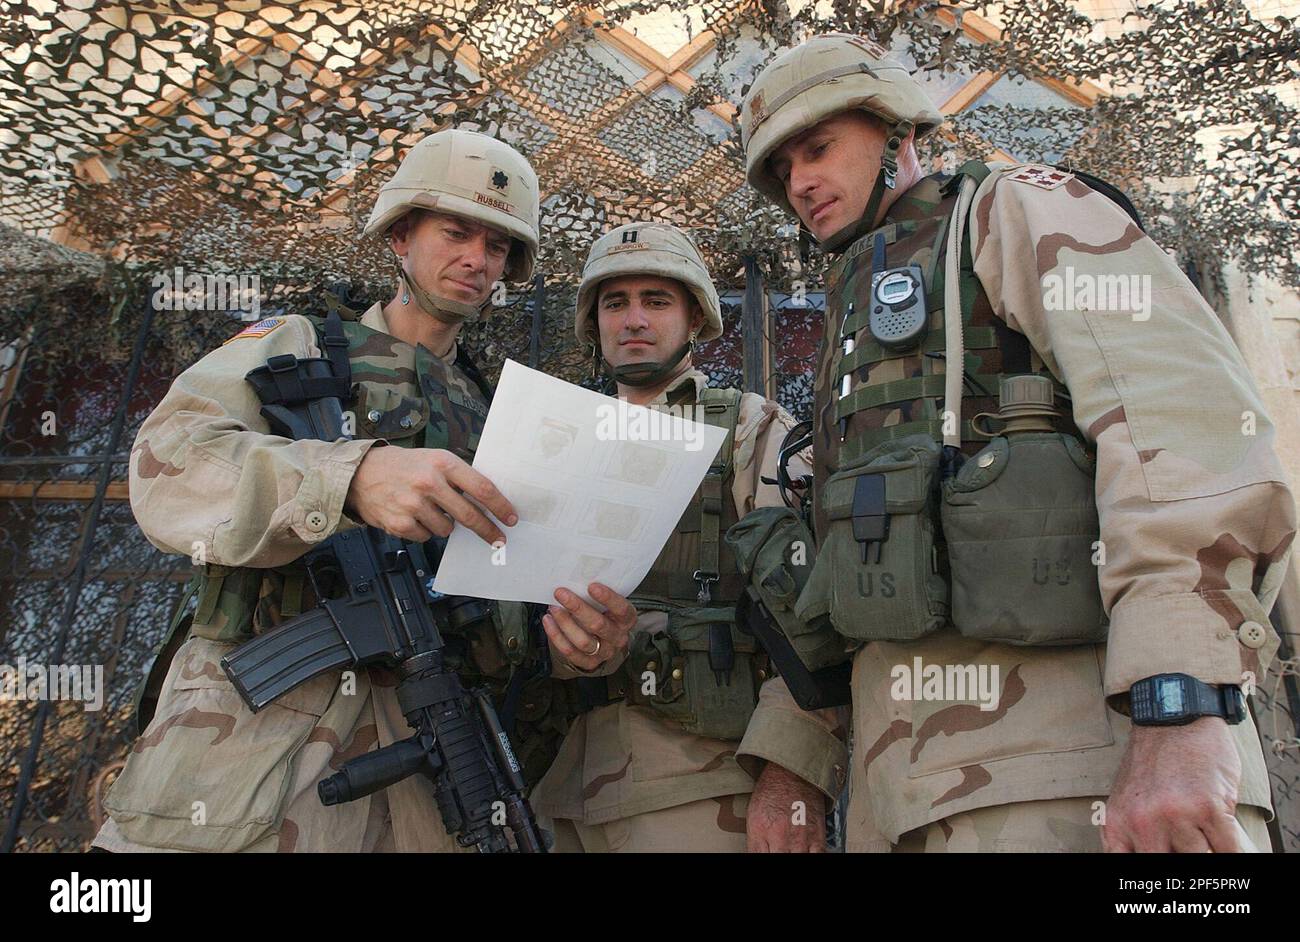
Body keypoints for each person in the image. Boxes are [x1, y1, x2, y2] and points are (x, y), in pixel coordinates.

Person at [737, 32, 1296, 852]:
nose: (803, 182)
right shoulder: (855, 308)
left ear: (900, 131)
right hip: (911, 795)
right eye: (783, 170)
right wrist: (797, 767)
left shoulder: (1018, 207)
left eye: (820, 148)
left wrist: (1178, 709)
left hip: (1083, 776)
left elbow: (1179, 424)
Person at [93, 128, 636, 853]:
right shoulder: (298, 346)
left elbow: (512, 602)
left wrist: (576, 645)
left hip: (433, 773)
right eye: (456, 231)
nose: (478, 258)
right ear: (400, 235)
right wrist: (346, 478)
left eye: (499, 245)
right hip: (254, 760)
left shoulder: (503, 417)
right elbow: (165, 466)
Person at [527, 221, 847, 852]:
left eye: (657, 300)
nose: (634, 320)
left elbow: (815, 615)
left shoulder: (750, 429)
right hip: (563, 791)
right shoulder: (557, 439)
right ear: (593, 324)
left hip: (704, 789)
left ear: (696, 317)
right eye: (615, 303)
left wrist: (791, 777)